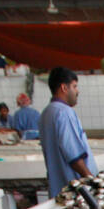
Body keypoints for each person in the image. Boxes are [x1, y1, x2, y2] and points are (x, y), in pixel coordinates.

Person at [39, 66, 96, 197]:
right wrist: (92, 180)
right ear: (64, 88)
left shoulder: (46, 113)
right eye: (74, 86)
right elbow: (73, 156)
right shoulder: (64, 112)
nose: (77, 91)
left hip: (58, 190)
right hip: (74, 190)